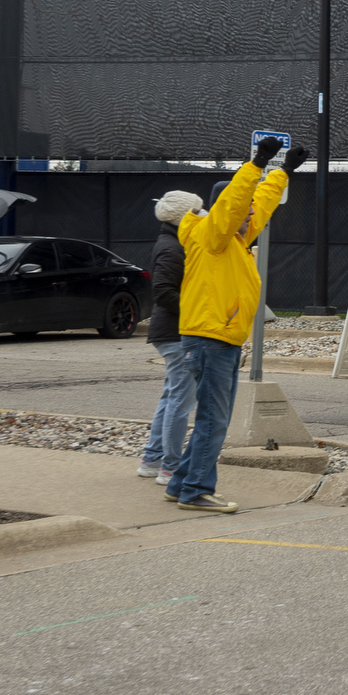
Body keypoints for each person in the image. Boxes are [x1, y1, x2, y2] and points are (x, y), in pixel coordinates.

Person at [166, 138, 307, 513]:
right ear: (225, 212)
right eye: (243, 212)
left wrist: (283, 172)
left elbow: (259, 205)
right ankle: (195, 491)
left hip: (217, 338)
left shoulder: (235, 239)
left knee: (214, 418)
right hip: (210, 339)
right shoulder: (213, 235)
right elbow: (234, 204)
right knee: (214, 420)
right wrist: (257, 163)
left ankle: (180, 484)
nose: (251, 217)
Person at [135, 190, 201, 481]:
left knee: (172, 396)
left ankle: (152, 459)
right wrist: (198, 310)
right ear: (185, 217)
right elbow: (162, 291)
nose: (203, 214)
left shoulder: (172, 242)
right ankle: (170, 467)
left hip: (170, 331)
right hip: (176, 332)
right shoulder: (172, 248)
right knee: (180, 401)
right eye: (198, 210)